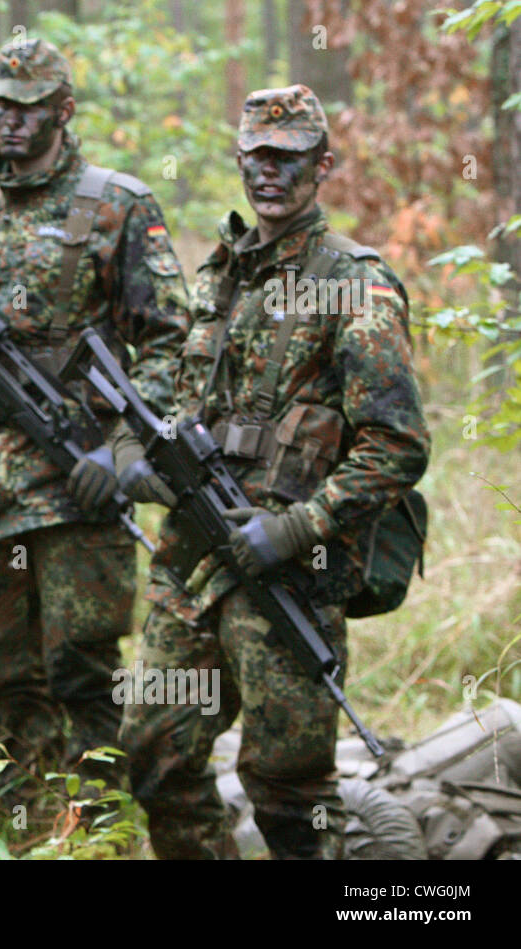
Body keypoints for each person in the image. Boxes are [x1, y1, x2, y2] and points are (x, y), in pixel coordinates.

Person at [117, 85, 430, 859]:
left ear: (322, 165)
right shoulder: (223, 273)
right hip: (192, 563)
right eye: (255, 154)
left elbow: (397, 444)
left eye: (286, 157)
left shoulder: (355, 282)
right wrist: (136, 457)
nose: (268, 172)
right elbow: (179, 399)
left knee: (290, 792)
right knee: (154, 754)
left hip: (288, 576)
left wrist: (294, 529)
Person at [0, 38, 189, 812]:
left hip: (75, 491)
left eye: (27, 106)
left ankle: (97, 831)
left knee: (83, 680)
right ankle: (22, 831)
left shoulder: (118, 205)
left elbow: (173, 340)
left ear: (63, 111)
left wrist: (127, 447)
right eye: (1, 104)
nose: (10, 119)